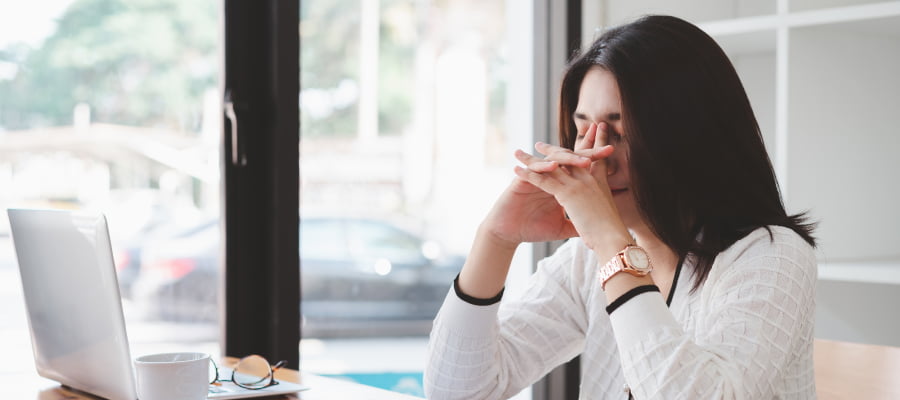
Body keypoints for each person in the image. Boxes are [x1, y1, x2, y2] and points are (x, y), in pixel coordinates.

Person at [424, 15, 818, 400]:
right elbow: (456, 390)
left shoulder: (771, 257)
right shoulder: (585, 262)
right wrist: (495, 238)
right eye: (582, 130)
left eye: (623, 132)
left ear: (692, 138)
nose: (595, 158)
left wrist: (610, 243)